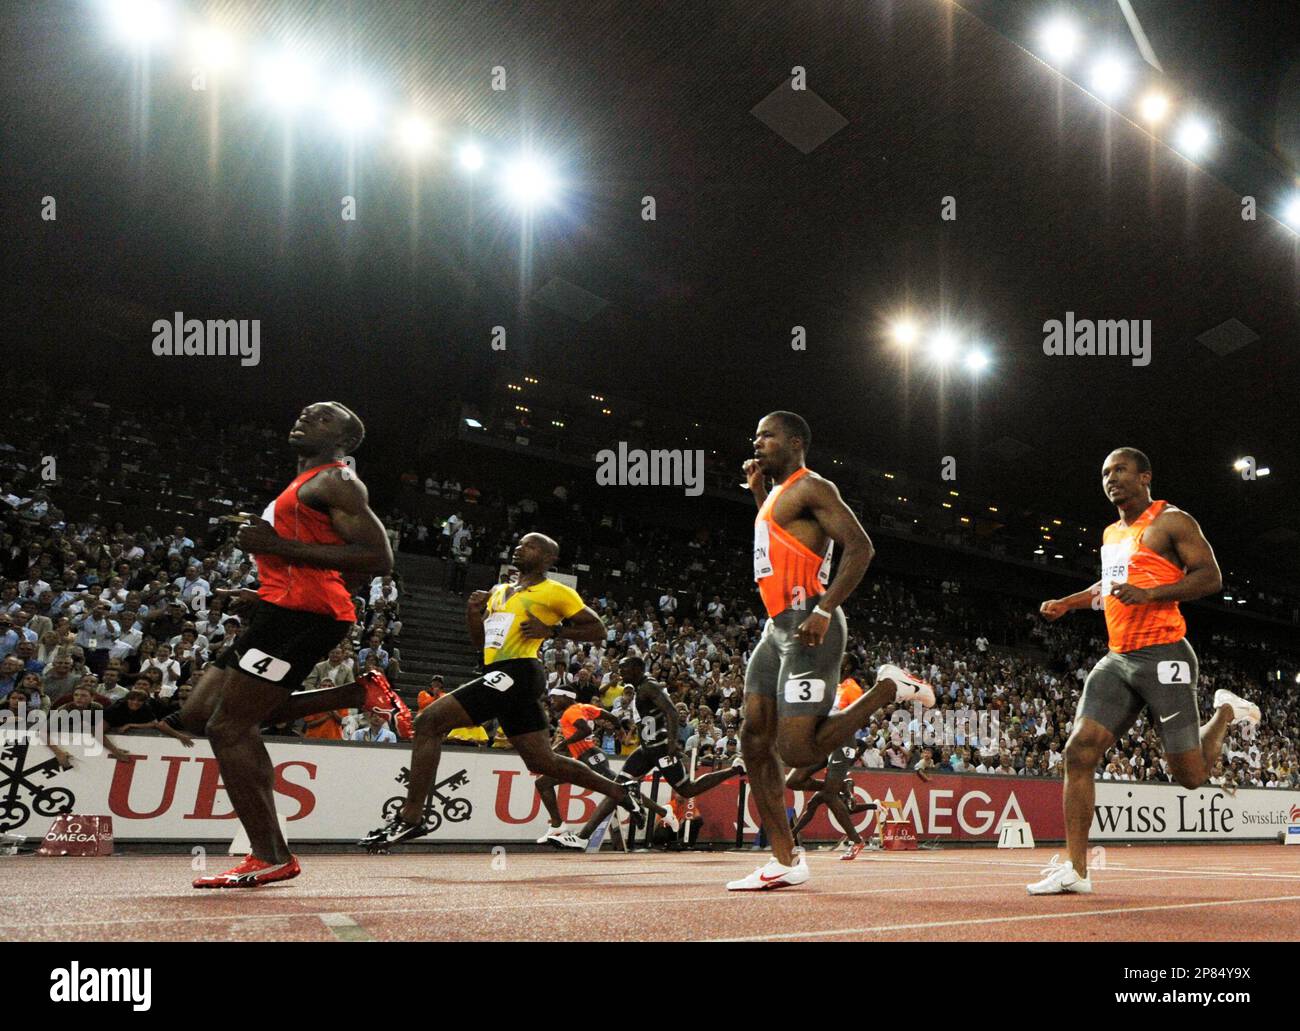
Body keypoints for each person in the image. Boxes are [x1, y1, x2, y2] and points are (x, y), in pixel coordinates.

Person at [168, 402, 405, 888]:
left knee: (229, 727)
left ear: (342, 440)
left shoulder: (337, 482)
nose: (303, 419)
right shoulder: (301, 485)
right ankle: (352, 695)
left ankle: (271, 855)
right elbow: (317, 559)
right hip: (281, 607)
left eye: (321, 418)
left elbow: (379, 557)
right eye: (303, 413)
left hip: (305, 616)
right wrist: (267, 587)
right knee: (198, 714)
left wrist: (279, 550)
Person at [1029, 448, 1260, 895]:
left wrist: (1151, 595)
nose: (1110, 478)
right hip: (1118, 658)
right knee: (1078, 753)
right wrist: (1069, 603)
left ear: (1145, 477)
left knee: (1190, 777)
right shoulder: (1112, 532)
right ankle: (1077, 870)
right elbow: (1109, 587)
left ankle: (1227, 712)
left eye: (1120, 470)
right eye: (1104, 473)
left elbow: (1211, 578)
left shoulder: (1172, 521)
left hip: (1166, 656)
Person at [728, 412, 934, 892]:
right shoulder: (777, 496)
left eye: (767, 435)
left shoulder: (812, 487)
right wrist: (757, 491)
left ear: (795, 442)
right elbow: (777, 541)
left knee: (795, 749)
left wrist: (825, 608)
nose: (757, 441)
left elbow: (860, 548)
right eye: (754, 434)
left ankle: (888, 688)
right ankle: (784, 860)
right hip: (774, 628)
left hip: (808, 625)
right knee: (753, 739)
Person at [360, 532, 644, 850]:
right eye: (520, 544)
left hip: (519, 672)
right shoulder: (499, 592)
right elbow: (482, 646)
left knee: (428, 722)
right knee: (544, 761)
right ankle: (620, 790)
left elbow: (597, 629)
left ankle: (411, 817)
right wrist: (472, 615)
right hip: (498, 672)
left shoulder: (555, 592)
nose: (521, 548)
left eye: (532, 546)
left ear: (549, 558)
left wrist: (553, 630)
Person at [555, 655, 746, 850]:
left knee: (688, 789)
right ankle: (583, 837)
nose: (620, 672)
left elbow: (671, 711)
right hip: (646, 749)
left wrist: (672, 743)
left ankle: (735, 769)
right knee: (616, 788)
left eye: (623, 668)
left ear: (636, 669)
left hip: (661, 748)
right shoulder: (640, 687)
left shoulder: (649, 686)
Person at [786, 659, 871, 860]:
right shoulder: (834, 686)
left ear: (847, 666)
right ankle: (839, 787)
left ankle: (856, 840)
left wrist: (841, 719)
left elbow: (863, 718)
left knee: (829, 796)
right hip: (823, 742)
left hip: (842, 742)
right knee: (794, 780)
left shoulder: (852, 688)